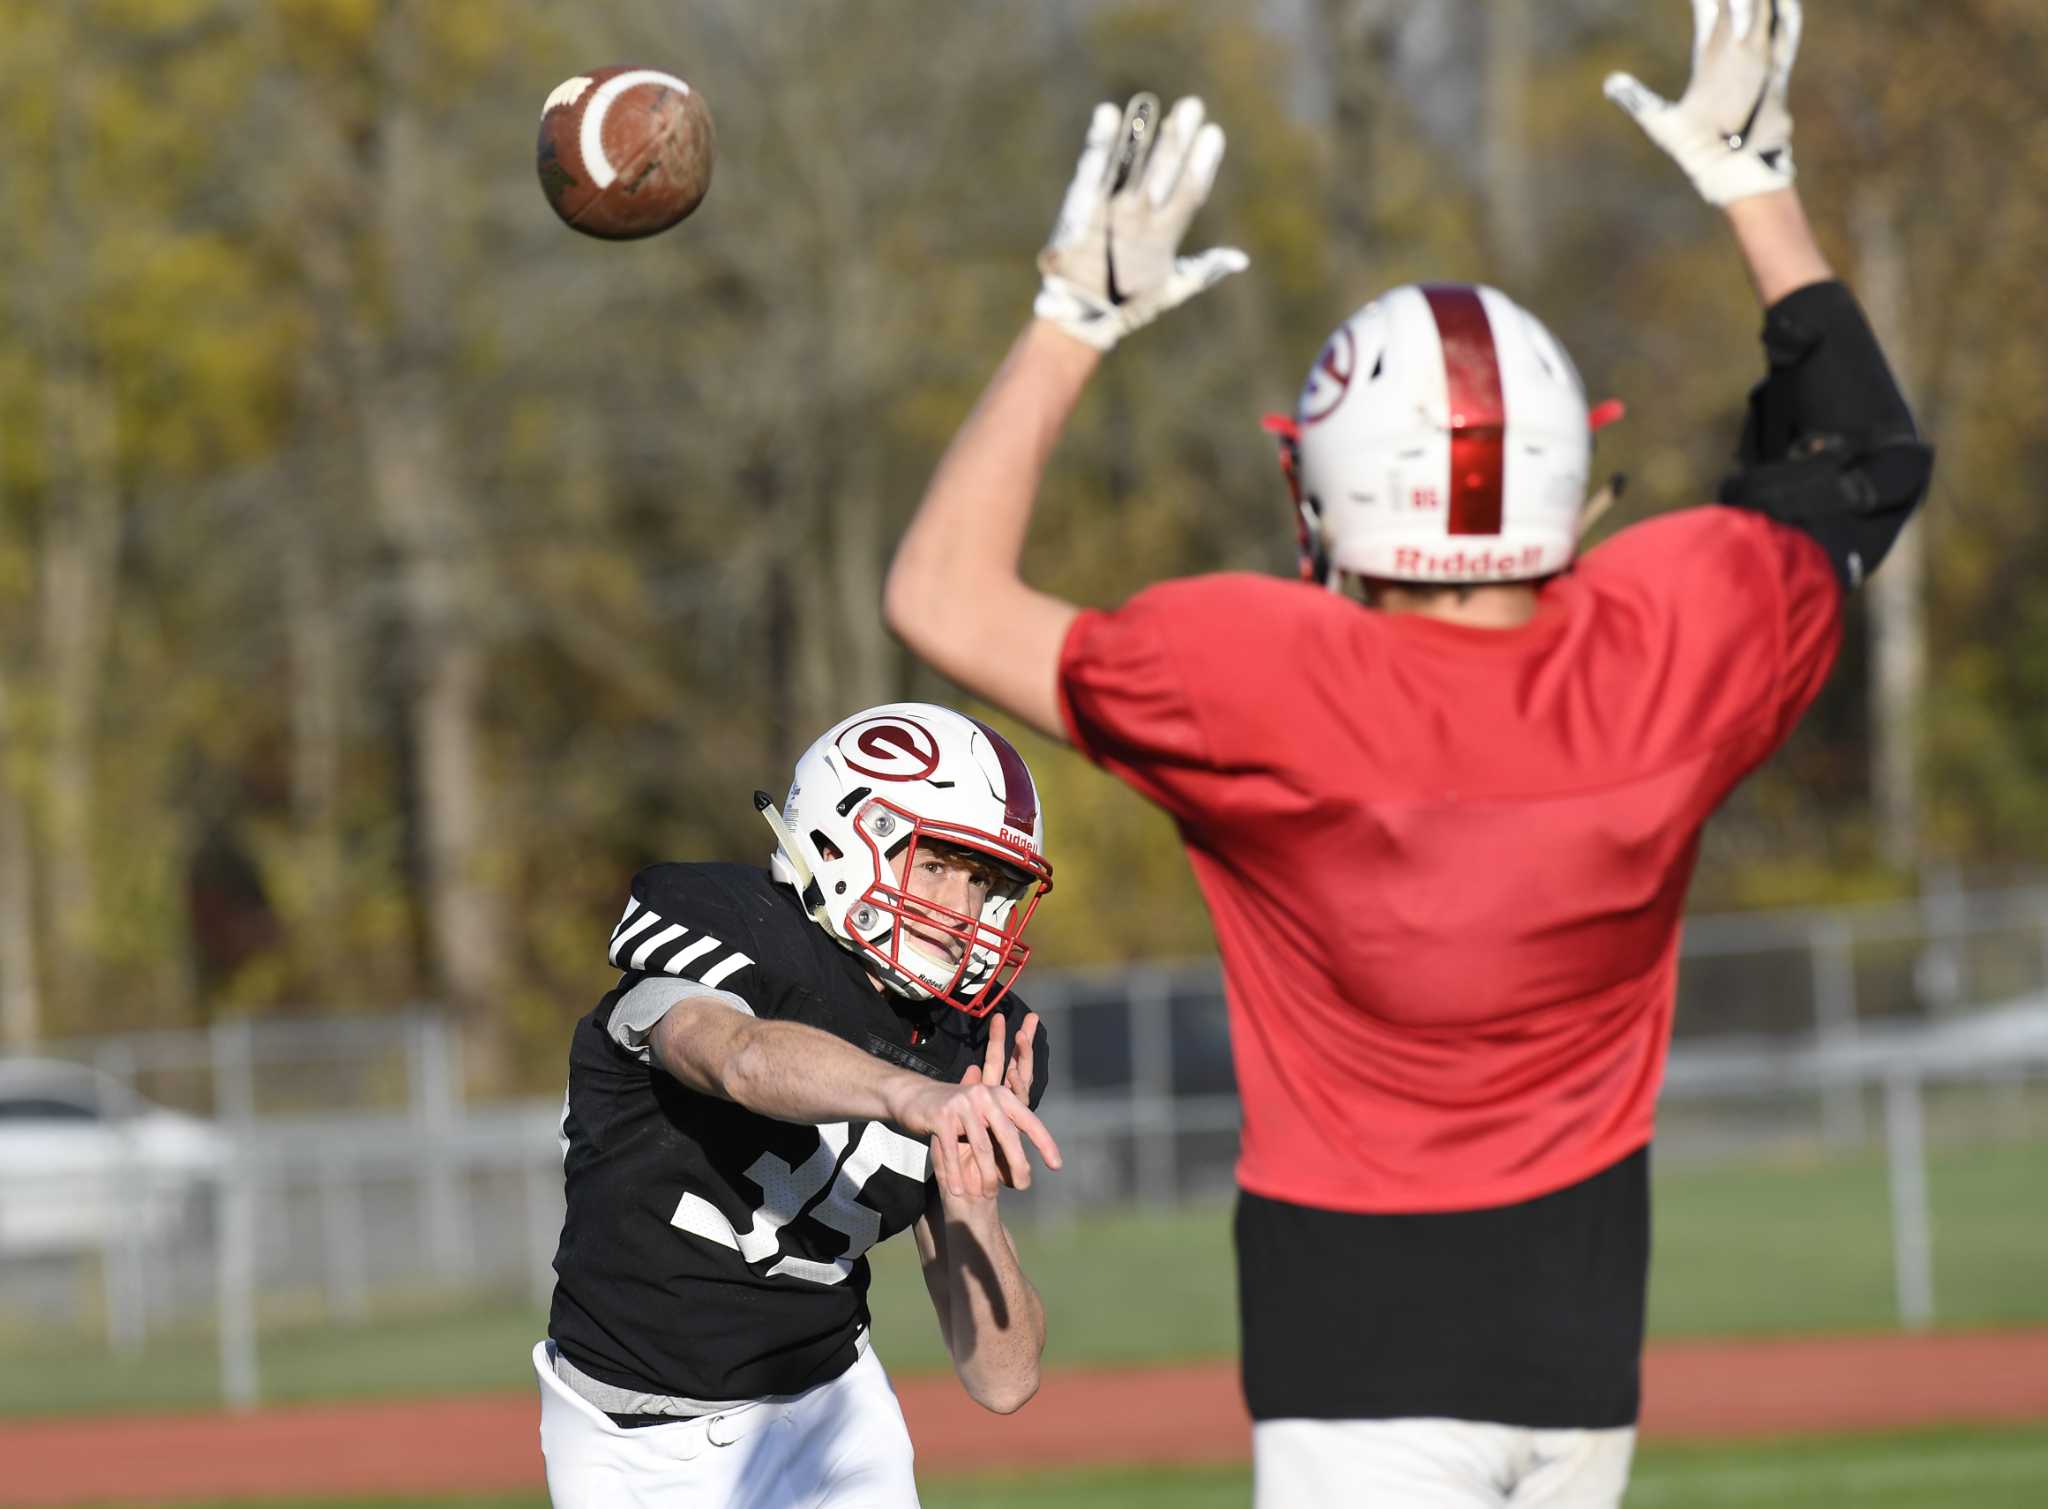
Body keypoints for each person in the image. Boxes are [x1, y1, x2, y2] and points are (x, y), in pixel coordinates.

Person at [883, 3, 1932, 1505]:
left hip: (1353, 1355)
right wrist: (1752, 174)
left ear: (1333, 497)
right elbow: (1862, 461)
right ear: (1567, 482)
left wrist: (1073, 318)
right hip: (1584, 1344)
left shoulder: (1265, 679)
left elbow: (936, 594)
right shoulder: (1673, 646)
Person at [534, 702, 1063, 1508]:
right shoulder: (728, 923)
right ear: (841, 836)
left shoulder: (974, 1041)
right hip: (635, 1434)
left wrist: (971, 1203)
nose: (961, 912)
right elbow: (734, 1056)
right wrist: (905, 1093)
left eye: (983, 881)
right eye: (935, 866)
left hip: (830, 1408)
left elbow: (1004, 1380)